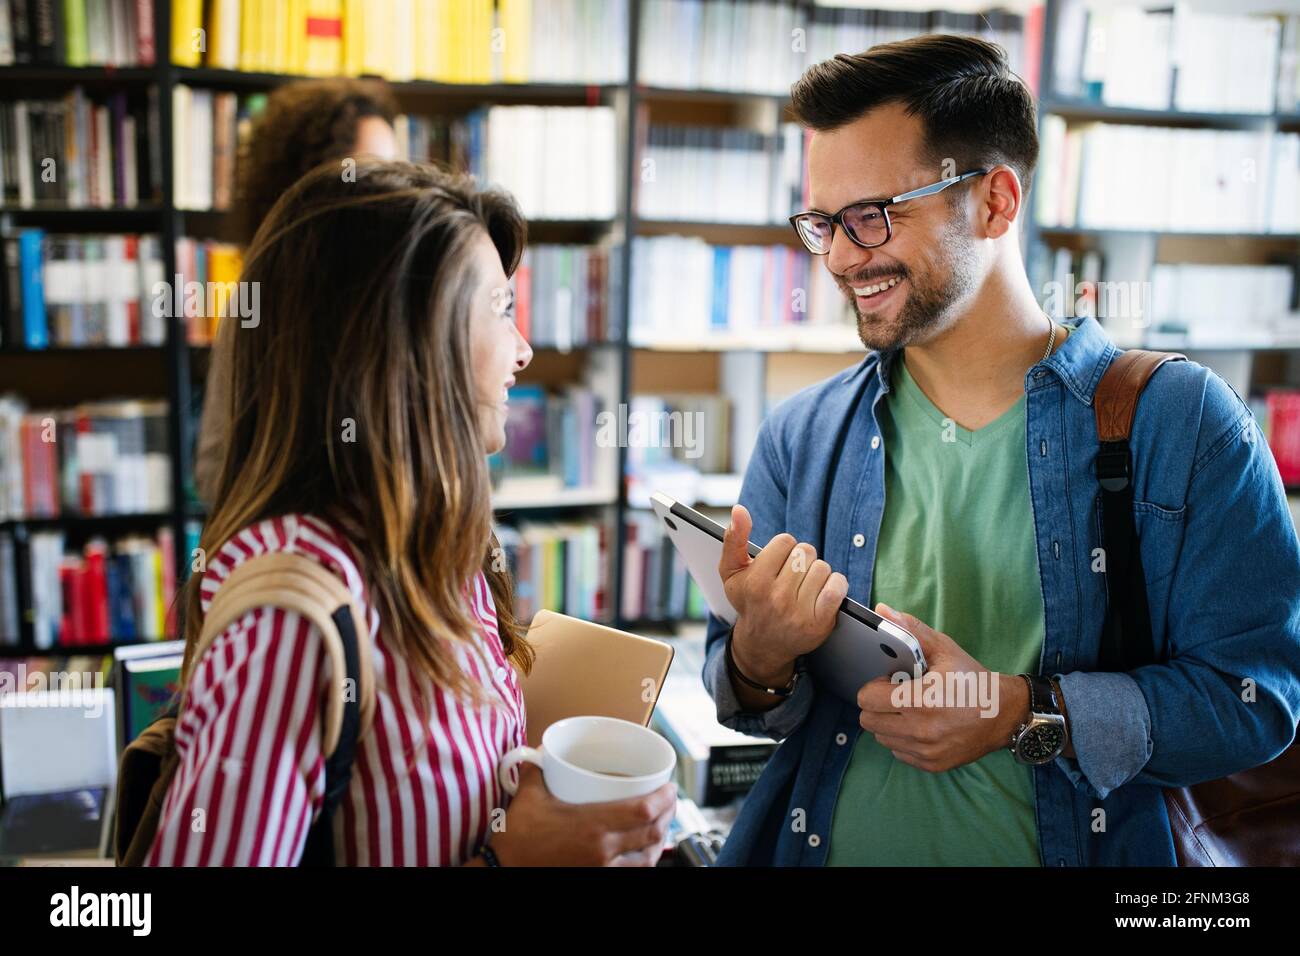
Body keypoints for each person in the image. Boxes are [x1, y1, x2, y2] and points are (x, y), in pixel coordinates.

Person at [705, 34, 1300, 865]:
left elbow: (1258, 702)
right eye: (822, 223)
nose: (840, 256)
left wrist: (1023, 714)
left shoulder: (1185, 423)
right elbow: (742, 703)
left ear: (995, 202)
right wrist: (757, 656)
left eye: (874, 215)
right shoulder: (802, 435)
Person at [147, 160, 676, 865]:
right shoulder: (294, 616)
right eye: (498, 309)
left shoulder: (442, 549)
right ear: (399, 347)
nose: (523, 351)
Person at [194, 78, 402, 505]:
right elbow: (216, 468)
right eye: (370, 172)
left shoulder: (399, 283)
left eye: (395, 170)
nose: (393, 192)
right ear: (310, 179)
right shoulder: (266, 293)